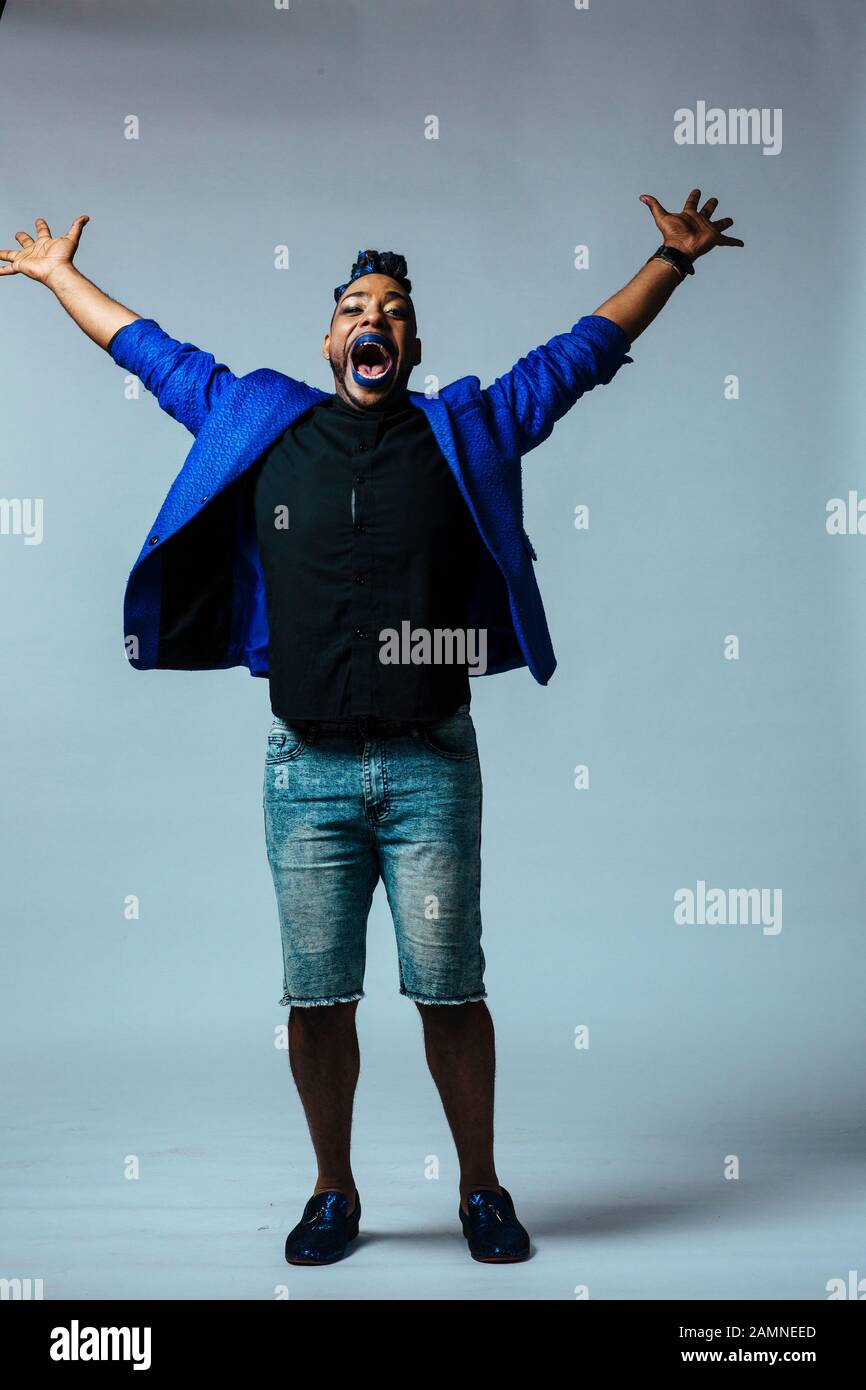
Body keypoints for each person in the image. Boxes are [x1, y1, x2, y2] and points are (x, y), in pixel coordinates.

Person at [1, 189, 743, 1265]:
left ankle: (481, 1189)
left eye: (394, 308)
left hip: (429, 767)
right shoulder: (262, 420)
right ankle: (333, 1191)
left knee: (450, 988)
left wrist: (668, 264)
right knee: (315, 997)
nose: (375, 318)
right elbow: (151, 353)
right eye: (357, 304)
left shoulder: (465, 429)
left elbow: (577, 356)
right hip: (301, 773)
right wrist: (58, 275)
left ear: (412, 342)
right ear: (329, 337)